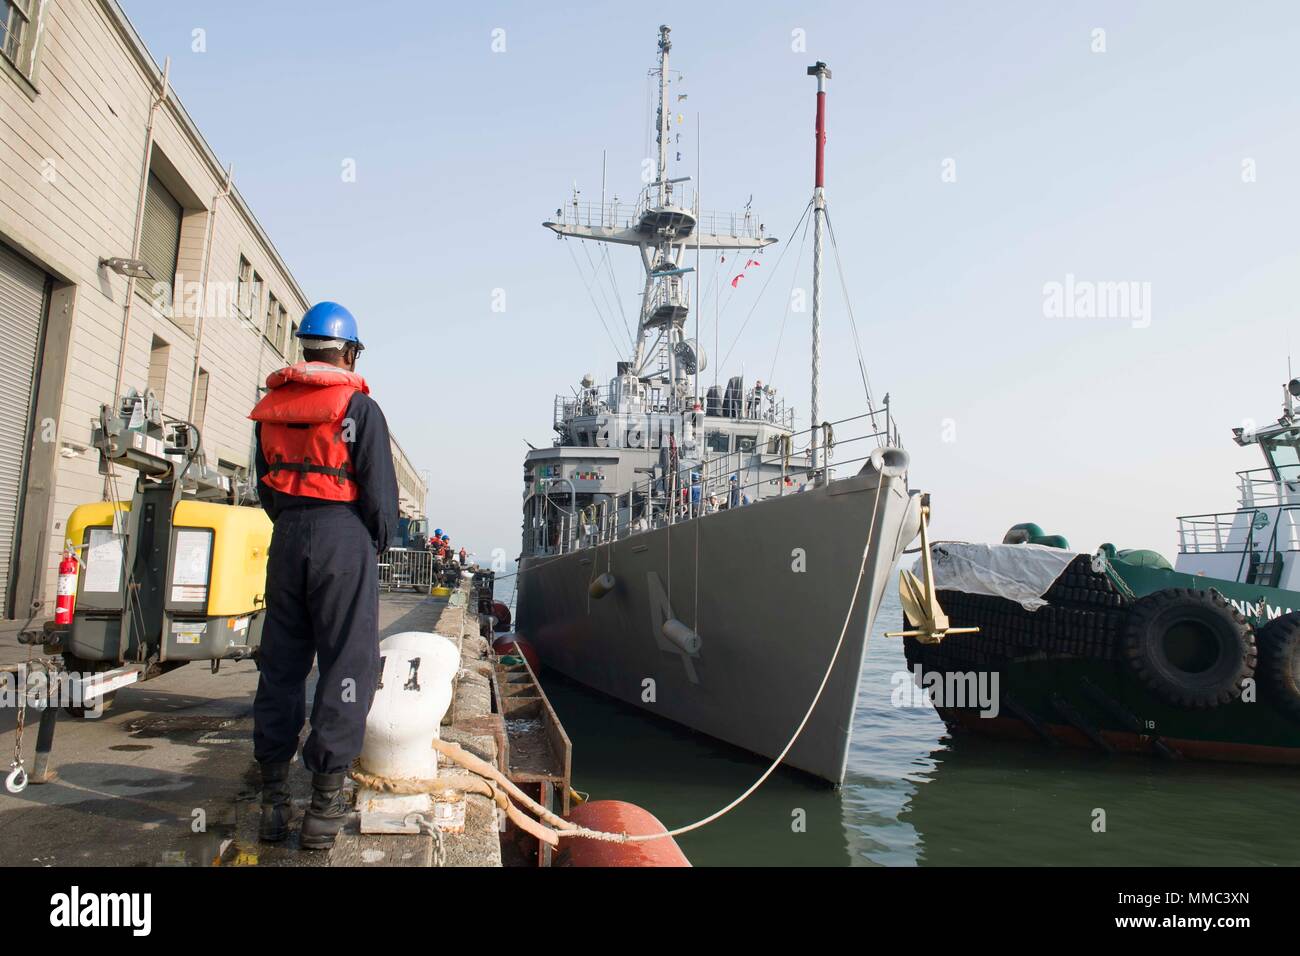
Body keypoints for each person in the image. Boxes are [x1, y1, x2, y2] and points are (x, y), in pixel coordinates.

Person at [247, 301, 398, 851]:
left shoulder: (270, 410)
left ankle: (271, 800)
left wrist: (292, 523)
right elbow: (381, 499)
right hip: (343, 537)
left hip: (286, 537)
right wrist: (371, 545)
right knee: (347, 665)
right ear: (349, 351)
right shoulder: (359, 410)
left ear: (305, 351)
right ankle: (322, 809)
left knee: (281, 664)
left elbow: (265, 483)